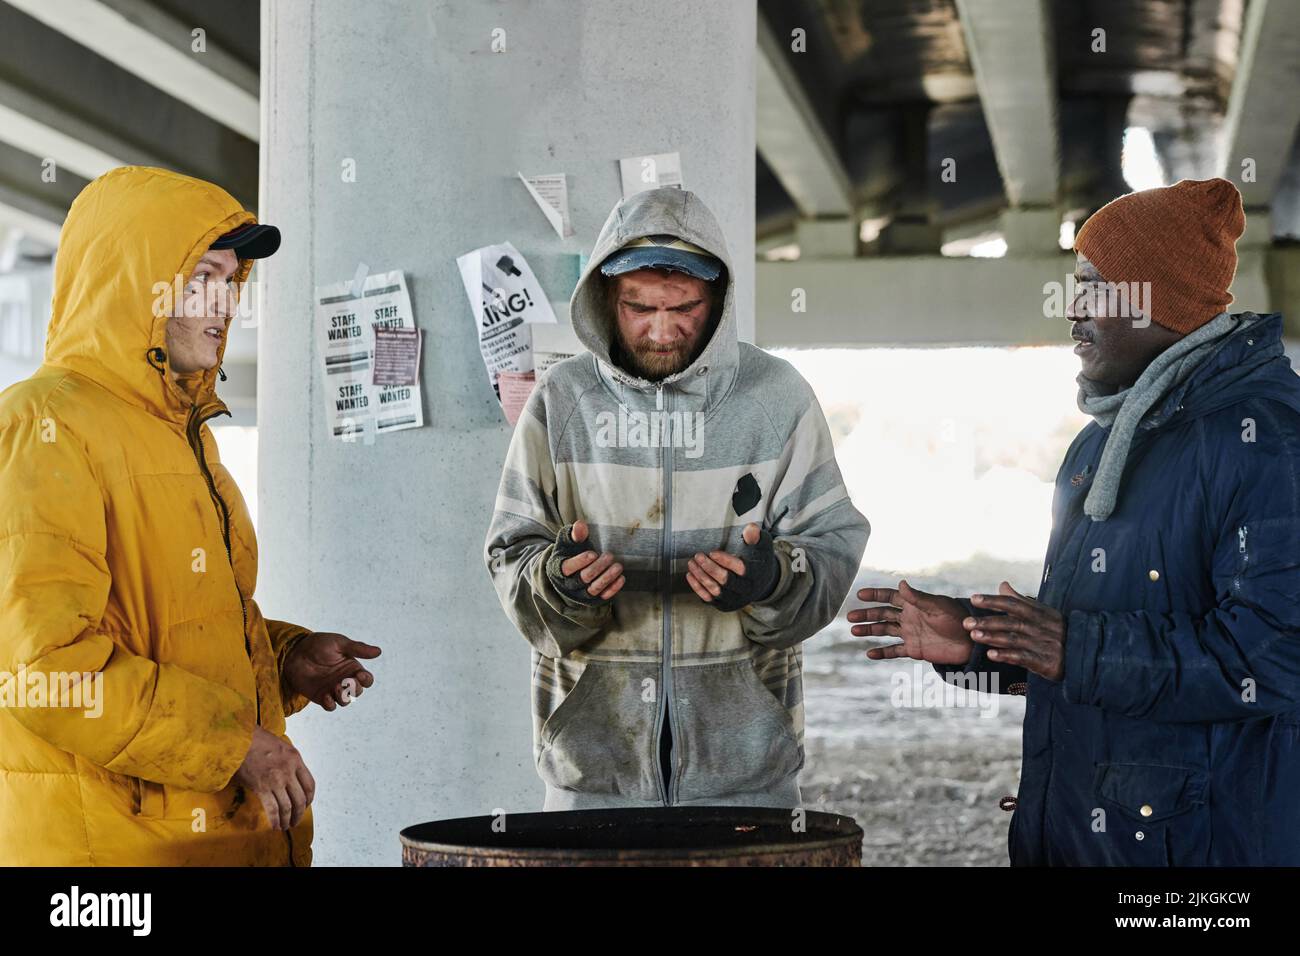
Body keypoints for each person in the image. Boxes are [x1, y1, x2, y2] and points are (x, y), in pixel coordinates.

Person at [850, 178, 1300, 865]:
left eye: (1094, 287)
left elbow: (1274, 657)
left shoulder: (1264, 441)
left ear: (1165, 301)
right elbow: (1084, 645)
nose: (1072, 310)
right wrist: (981, 648)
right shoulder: (1102, 444)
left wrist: (1073, 647)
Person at [0, 166, 381, 866]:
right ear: (130, 281)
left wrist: (286, 657)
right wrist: (232, 745)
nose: (225, 304)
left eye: (232, 281)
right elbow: (42, 668)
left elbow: (169, 628)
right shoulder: (45, 421)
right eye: (201, 277)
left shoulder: (182, 430)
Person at [485, 186, 869, 810]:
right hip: (591, 770)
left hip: (747, 775)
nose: (662, 330)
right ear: (607, 298)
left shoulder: (778, 398)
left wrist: (771, 580)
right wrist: (560, 584)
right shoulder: (561, 401)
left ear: (718, 300)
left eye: (684, 307)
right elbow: (509, 554)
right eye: (639, 307)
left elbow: (832, 544)